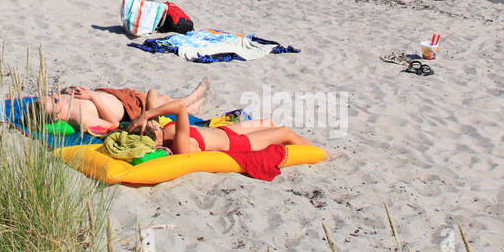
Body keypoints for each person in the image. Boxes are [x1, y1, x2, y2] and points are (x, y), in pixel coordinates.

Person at [127, 92, 311, 155]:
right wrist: (149, 115)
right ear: (156, 140)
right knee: (285, 132)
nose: (155, 123)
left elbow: (151, 92)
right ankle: (321, 154)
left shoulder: (160, 127)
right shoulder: (179, 144)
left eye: (153, 123)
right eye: (154, 126)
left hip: (225, 130)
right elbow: (180, 106)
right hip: (236, 144)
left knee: (268, 122)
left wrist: (146, 115)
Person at [29, 79, 211, 134]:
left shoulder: (61, 100)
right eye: (53, 102)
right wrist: (93, 97)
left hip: (114, 93)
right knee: (159, 100)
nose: (54, 97)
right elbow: (112, 124)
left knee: (160, 97)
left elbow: (59, 95)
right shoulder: (81, 119)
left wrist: (66, 91)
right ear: (55, 117)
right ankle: (190, 103)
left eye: (49, 96)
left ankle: (191, 106)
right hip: (127, 108)